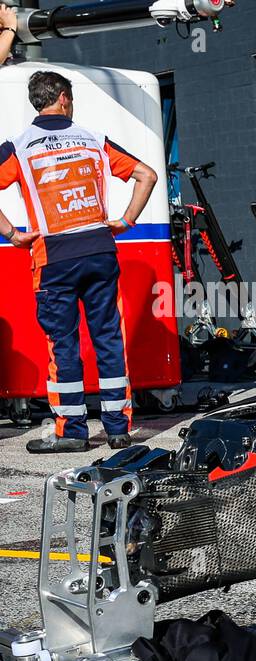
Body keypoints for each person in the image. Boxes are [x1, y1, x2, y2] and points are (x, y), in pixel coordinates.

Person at [0, 70, 158, 453]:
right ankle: (118, 430)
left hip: (52, 255)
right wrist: (125, 221)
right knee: (108, 339)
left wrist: (11, 233)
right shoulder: (93, 140)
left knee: (63, 344)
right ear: (65, 98)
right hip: (100, 249)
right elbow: (147, 175)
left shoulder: (19, 147)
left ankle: (71, 431)